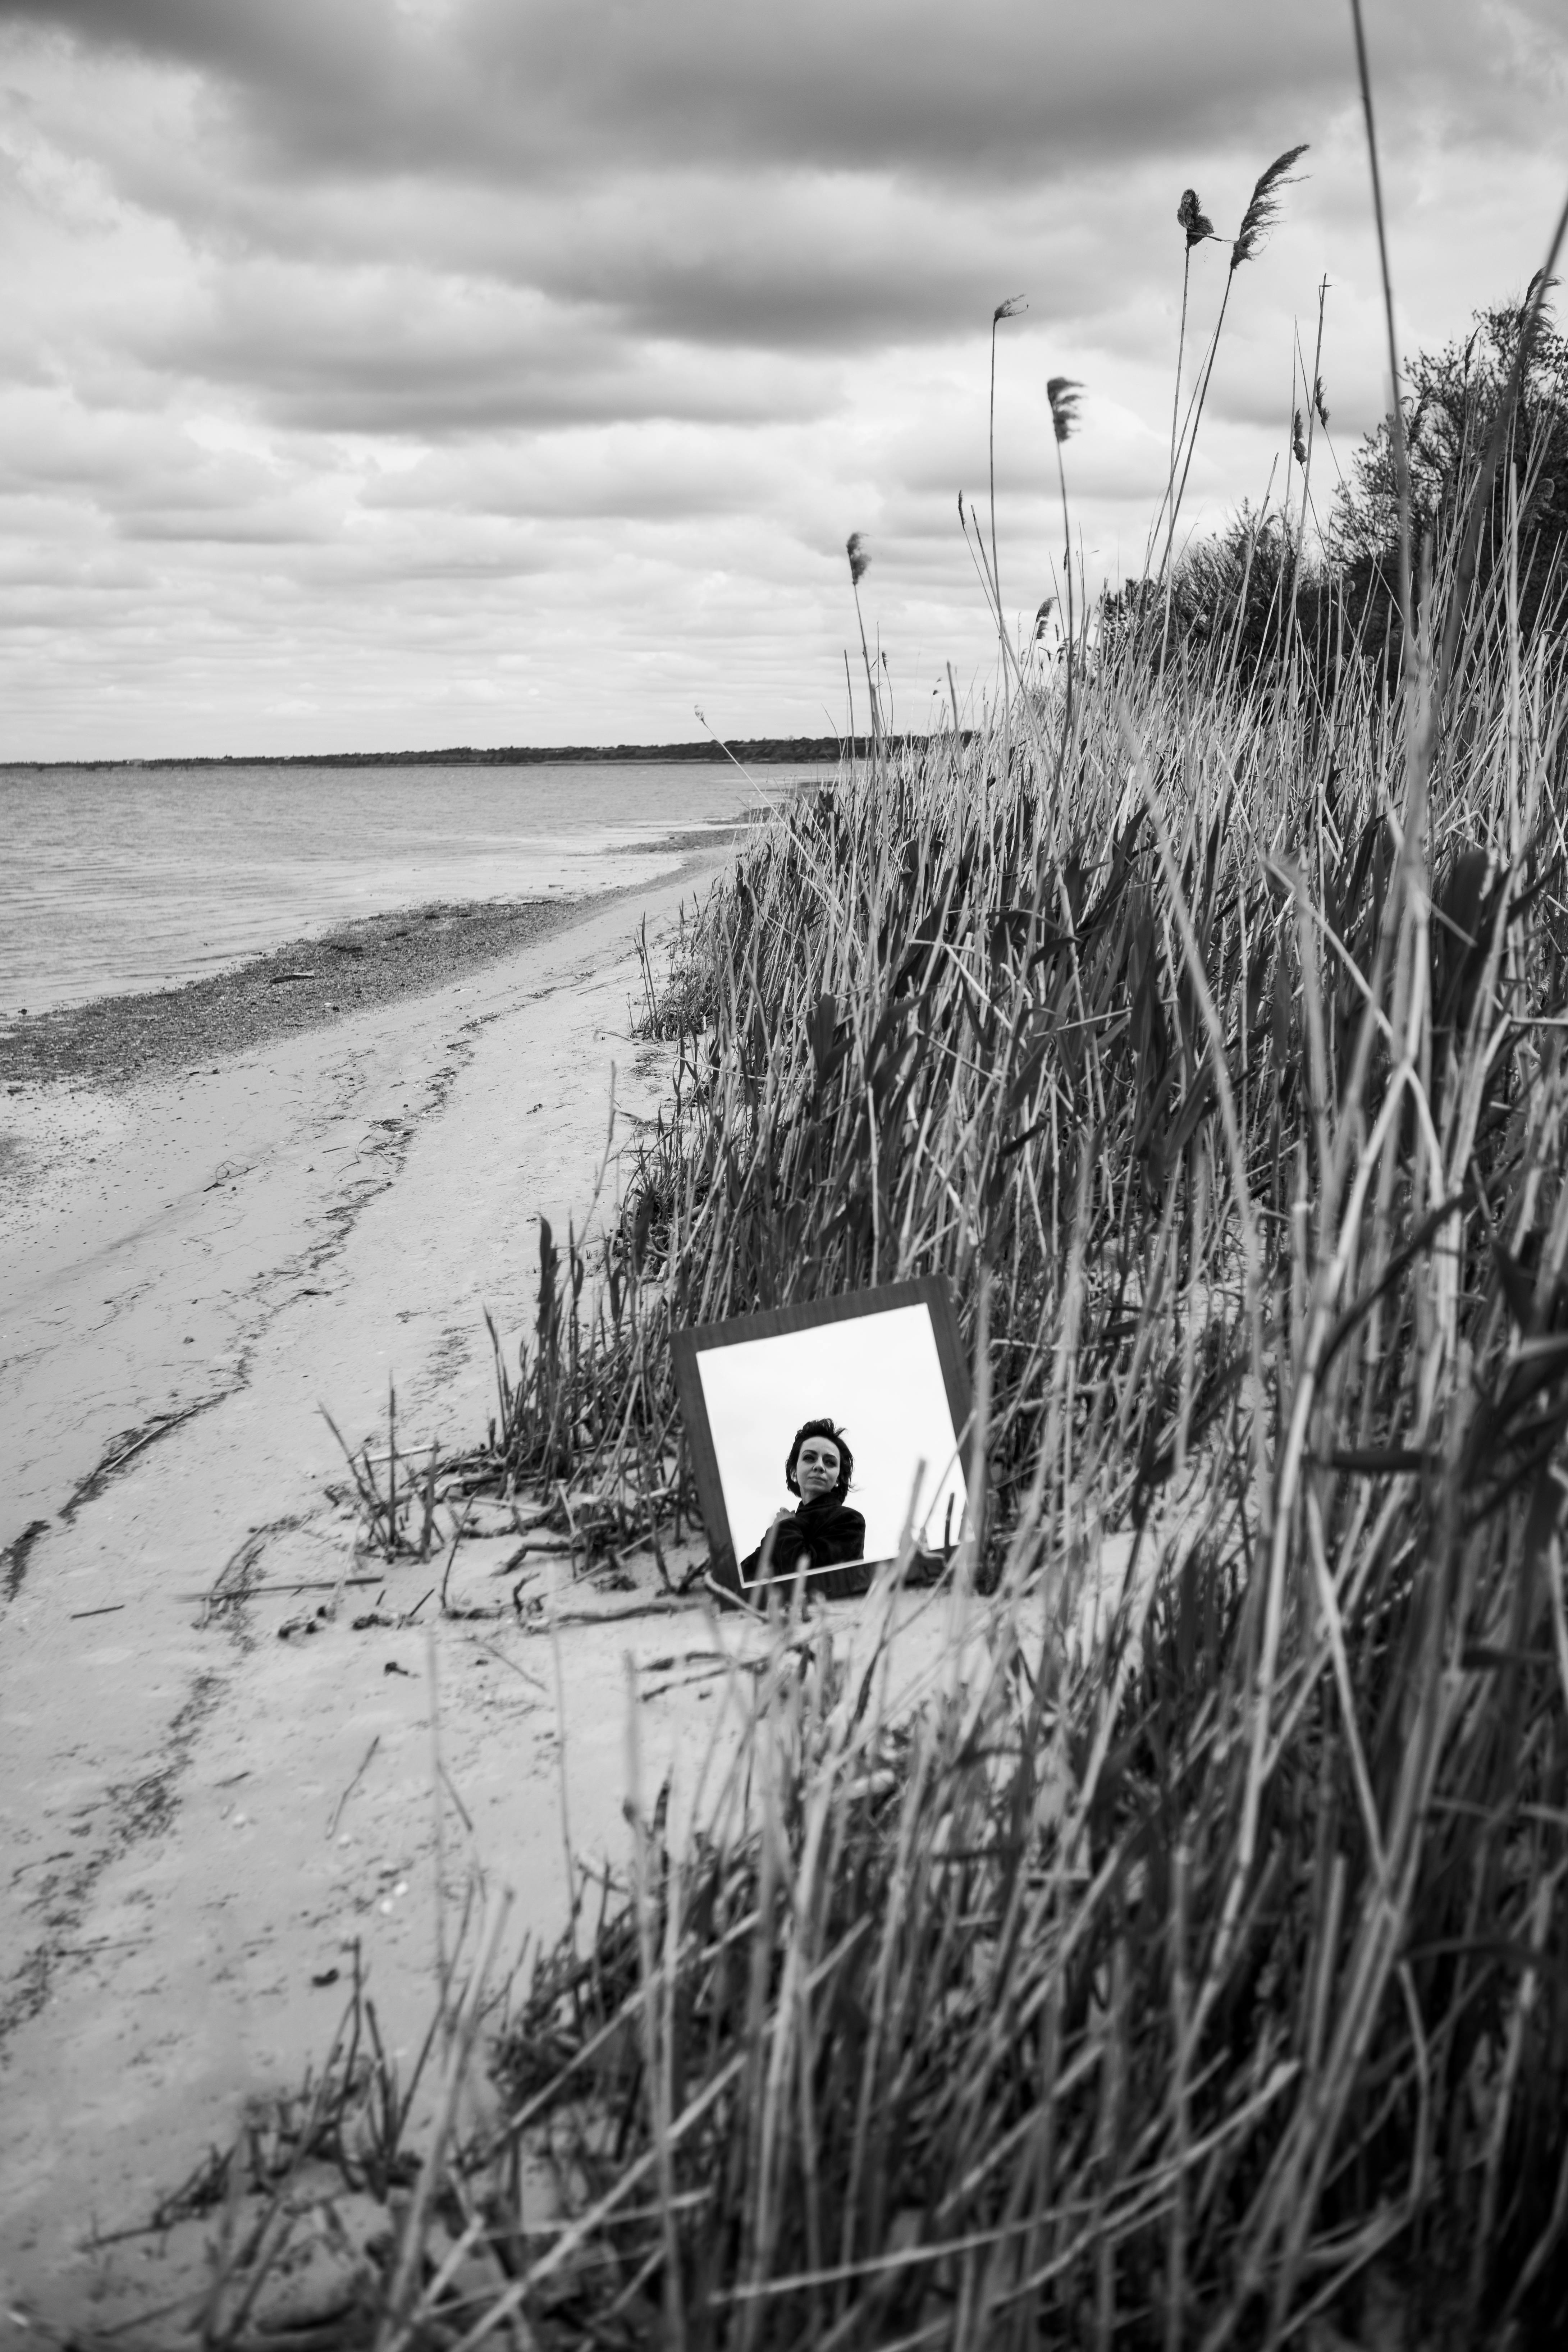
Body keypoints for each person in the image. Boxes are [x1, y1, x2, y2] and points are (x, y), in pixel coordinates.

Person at [737, 1418, 869, 1603]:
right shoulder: (785, 1527)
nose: (820, 1466)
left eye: (830, 1462)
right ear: (793, 1473)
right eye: (809, 1458)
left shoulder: (849, 1521)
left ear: (838, 1479)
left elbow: (810, 1581)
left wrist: (784, 1527)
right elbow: (741, 1583)